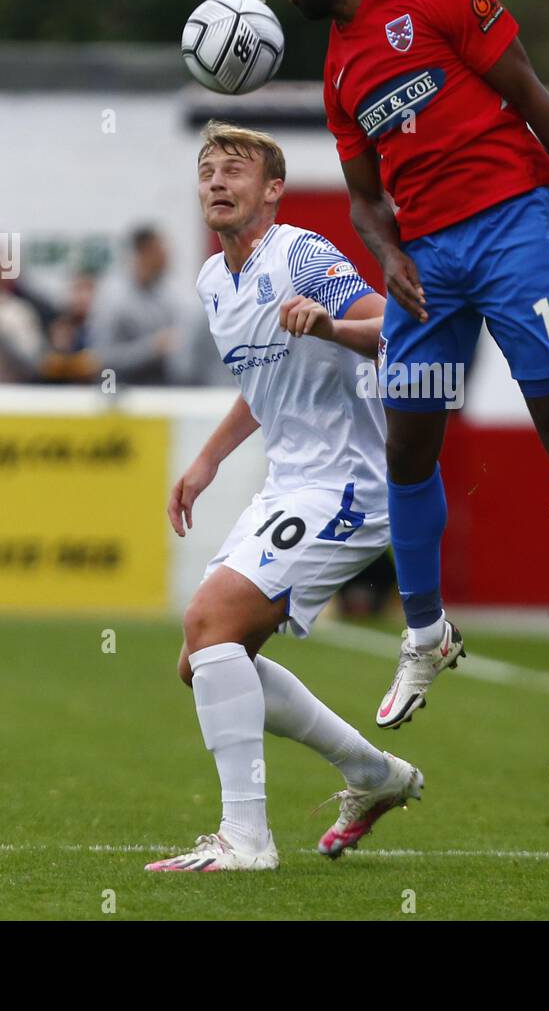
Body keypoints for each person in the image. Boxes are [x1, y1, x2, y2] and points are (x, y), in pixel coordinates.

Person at [269, 0, 549, 725]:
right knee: (408, 443)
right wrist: (390, 254)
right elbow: (365, 200)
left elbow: (534, 97)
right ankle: (425, 632)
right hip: (428, 263)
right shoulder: (336, 74)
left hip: (512, 225)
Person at [146, 121, 421, 874]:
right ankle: (373, 774)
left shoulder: (300, 253)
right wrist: (205, 460)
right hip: (291, 482)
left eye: (235, 169)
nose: (216, 182)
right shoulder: (212, 279)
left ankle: (247, 839)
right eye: (207, 170)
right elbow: (264, 385)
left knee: (210, 622)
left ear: (272, 189)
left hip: (349, 485)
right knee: (204, 656)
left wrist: (329, 323)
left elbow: (396, 327)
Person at [88, 226, 184, 386]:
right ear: (145, 251)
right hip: (121, 398)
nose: (168, 256)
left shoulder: (165, 295)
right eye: (162, 249)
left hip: (161, 396)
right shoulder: (114, 298)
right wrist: (152, 349)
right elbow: (100, 358)